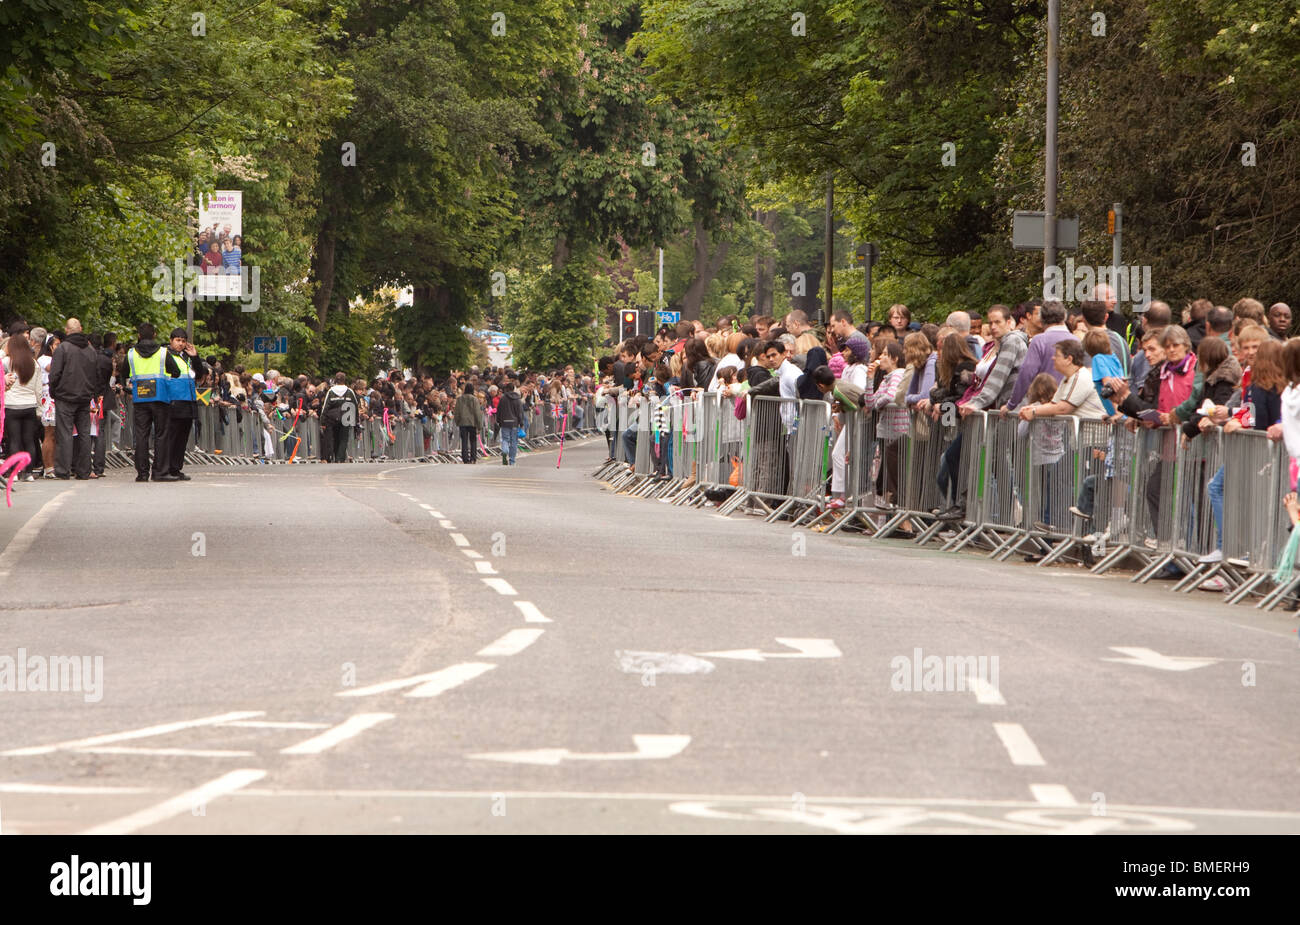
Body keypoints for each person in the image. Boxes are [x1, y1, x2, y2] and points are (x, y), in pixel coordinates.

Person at [47, 318, 100, 480]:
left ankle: (63, 469)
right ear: (81, 328)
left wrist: (53, 391)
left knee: (65, 434)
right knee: (84, 434)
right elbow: (95, 374)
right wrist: (92, 393)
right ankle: (83, 470)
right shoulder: (90, 350)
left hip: (65, 396)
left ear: (67, 330)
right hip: (84, 397)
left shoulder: (63, 348)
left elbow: (54, 374)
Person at [156, 327, 209, 481]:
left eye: (183, 341)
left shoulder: (186, 357)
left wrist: (195, 357)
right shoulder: (164, 355)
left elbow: (199, 375)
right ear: (171, 340)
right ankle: (166, 468)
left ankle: (176, 468)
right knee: (171, 437)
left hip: (188, 401)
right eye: (178, 340)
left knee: (182, 438)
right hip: (172, 400)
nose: (180, 343)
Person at [125, 324, 169, 482]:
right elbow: (175, 372)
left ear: (139, 335)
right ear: (155, 334)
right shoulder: (164, 353)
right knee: (161, 435)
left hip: (140, 398)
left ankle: (142, 473)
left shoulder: (130, 354)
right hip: (160, 398)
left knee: (141, 436)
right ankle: (159, 472)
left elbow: (124, 373)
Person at [1, 332, 43, 481]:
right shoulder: (34, 364)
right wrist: (39, 408)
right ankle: (29, 472)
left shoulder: (8, 362)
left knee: (14, 440)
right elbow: (39, 389)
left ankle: (15, 472)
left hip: (12, 405)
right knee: (29, 440)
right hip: (29, 405)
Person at [320, 372, 359, 463]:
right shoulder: (350, 391)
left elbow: (325, 407)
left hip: (331, 417)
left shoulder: (331, 391)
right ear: (344, 380)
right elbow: (355, 406)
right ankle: (340, 458)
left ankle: (329, 457)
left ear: (335, 380)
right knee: (343, 439)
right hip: (346, 416)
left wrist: (322, 421)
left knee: (332, 437)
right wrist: (356, 420)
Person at [454, 381, 485, 463]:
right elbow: (477, 413)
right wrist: (479, 425)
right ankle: (473, 458)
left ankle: (465, 458)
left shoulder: (460, 399)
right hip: (472, 422)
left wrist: (457, 421)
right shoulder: (474, 399)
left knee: (464, 441)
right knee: (473, 440)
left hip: (462, 422)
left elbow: (457, 411)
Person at [496, 378, 524, 465]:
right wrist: (521, 422)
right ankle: (512, 460)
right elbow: (520, 412)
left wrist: (499, 421)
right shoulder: (517, 399)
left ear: (506, 389)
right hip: (514, 423)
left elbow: (499, 411)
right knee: (514, 442)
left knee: (505, 439)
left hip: (504, 422)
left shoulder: (503, 399)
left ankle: (505, 451)